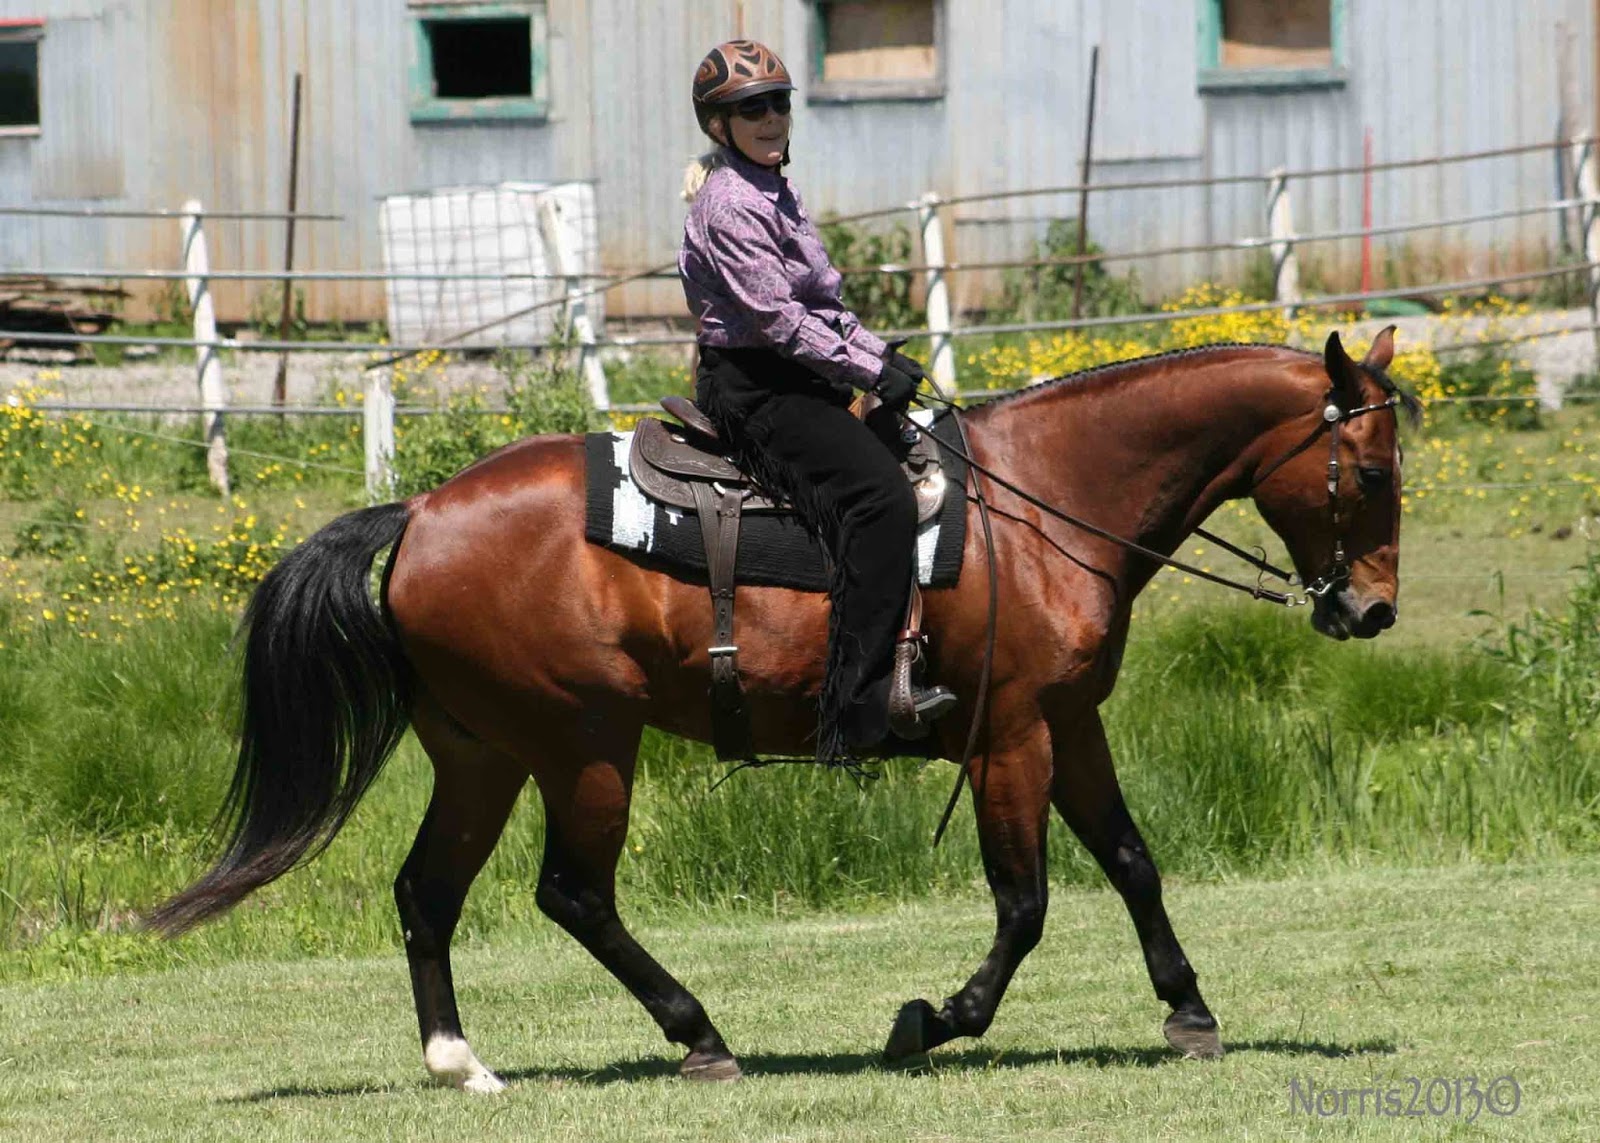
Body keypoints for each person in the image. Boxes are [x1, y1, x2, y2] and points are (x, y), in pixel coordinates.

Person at [678, 39, 956, 763]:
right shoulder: (731, 204)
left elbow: (822, 302)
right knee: (878, 500)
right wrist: (867, 370)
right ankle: (858, 709)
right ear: (719, 124)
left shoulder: (774, 187)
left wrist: (879, 356)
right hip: (756, 385)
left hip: (798, 371)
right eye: (751, 109)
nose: (771, 118)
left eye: (778, 102)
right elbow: (777, 320)